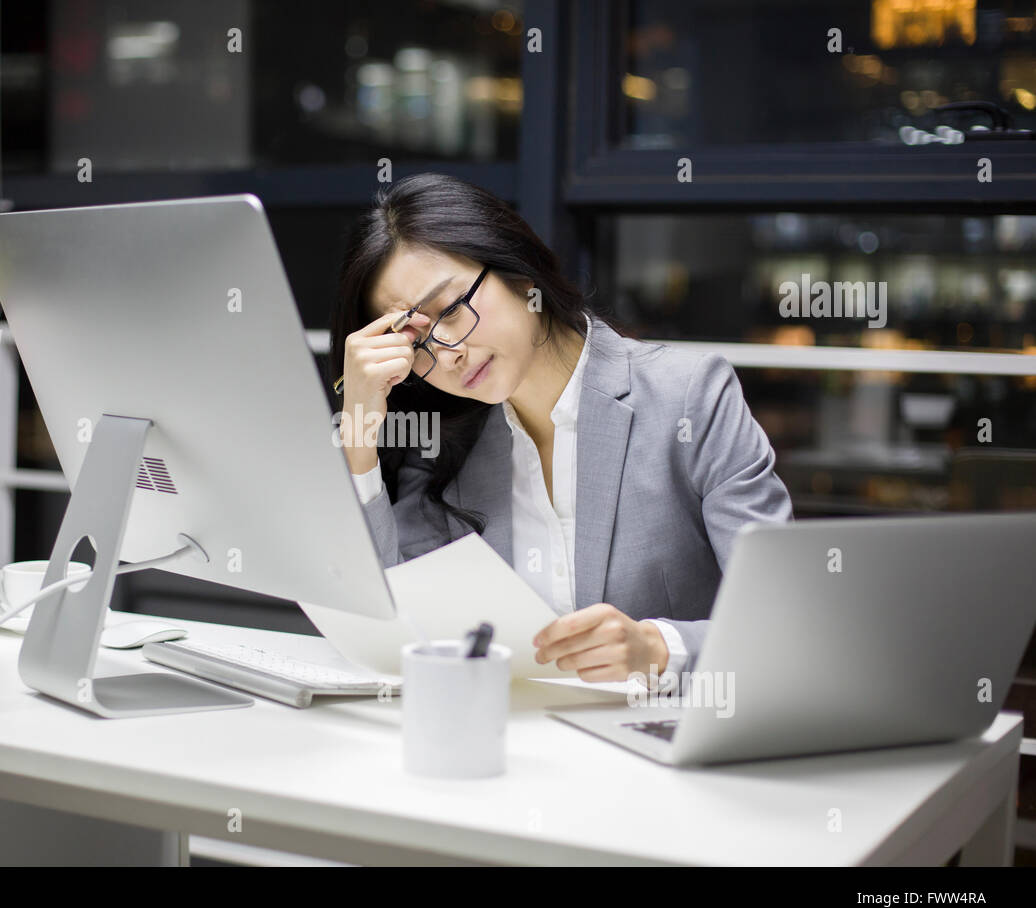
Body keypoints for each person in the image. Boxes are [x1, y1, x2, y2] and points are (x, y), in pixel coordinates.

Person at [331, 173, 792, 685]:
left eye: (451, 310)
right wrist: (359, 432)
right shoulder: (449, 442)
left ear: (520, 273)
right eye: (412, 341)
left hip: (673, 739)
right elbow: (386, 624)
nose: (446, 352)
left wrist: (659, 648)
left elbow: (787, 620)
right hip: (520, 746)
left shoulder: (688, 396)